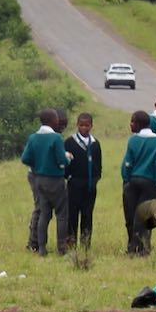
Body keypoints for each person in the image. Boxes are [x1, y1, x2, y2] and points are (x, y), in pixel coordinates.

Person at [20, 107, 70, 255]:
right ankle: (62, 249)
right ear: (51, 120)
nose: (58, 121)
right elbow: (62, 161)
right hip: (55, 179)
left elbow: (25, 158)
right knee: (61, 214)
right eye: (56, 119)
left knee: (44, 213)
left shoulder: (33, 137)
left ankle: (41, 248)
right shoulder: (56, 138)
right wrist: (68, 158)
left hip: (39, 179)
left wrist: (39, 165)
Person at [120, 109, 156, 255]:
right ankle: (142, 247)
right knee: (143, 216)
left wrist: (126, 178)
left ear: (139, 124)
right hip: (149, 182)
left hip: (133, 180)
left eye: (133, 121)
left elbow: (127, 162)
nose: (131, 124)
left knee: (131, 214)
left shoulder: (133, 140)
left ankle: (132, 246)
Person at [60, 112, 102, 253]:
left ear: (91, 126)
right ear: (77, 125)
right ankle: (71, 243)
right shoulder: (70, 142)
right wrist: (69, 177)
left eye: (87, 125)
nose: (84, 128)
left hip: (90, 185)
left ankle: (85, 244)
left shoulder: (95, 144)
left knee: (87, 214)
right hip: (74, 184)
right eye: (81, 125)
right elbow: (64, 163)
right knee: (72, 215)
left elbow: (98, 164)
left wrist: (96, 178)